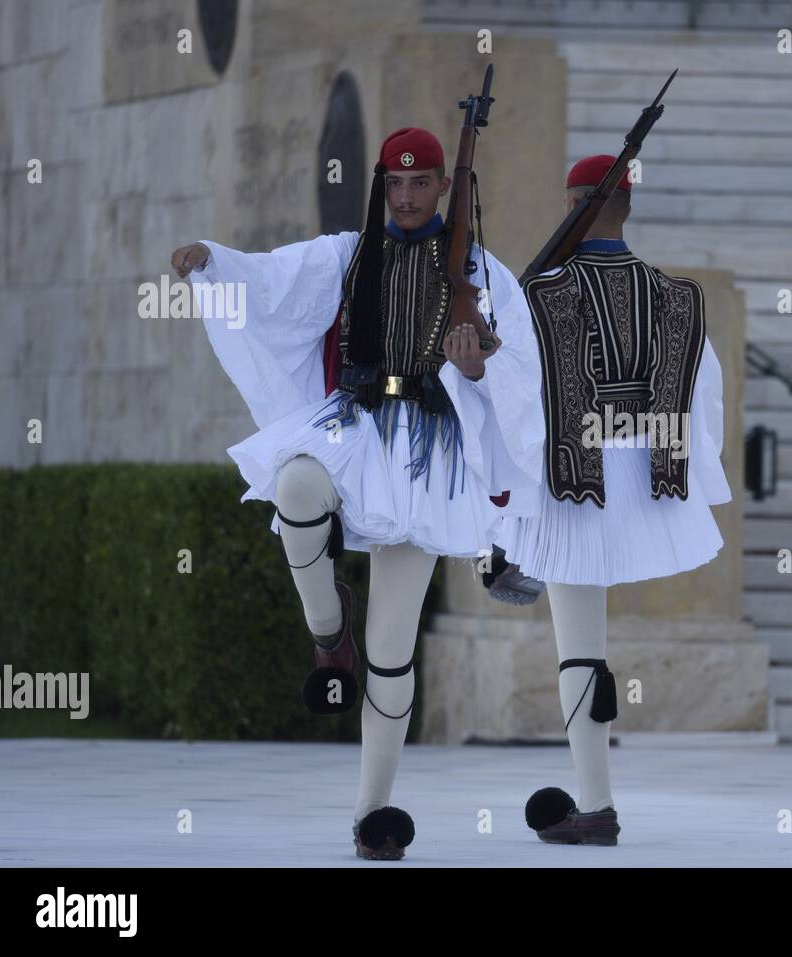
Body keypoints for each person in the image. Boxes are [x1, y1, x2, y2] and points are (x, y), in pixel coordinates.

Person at [171, 126, 543, 860]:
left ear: (444, 187)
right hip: (354, 424)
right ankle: (325, 626)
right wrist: (213, 263)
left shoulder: (482, 272)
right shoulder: (349, 252)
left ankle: (374, 810)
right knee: (296, 486)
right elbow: (273, 282)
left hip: (430, 456)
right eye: (393, 184)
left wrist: (476, 371)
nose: (404, 197)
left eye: (419, 183)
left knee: (393, 648)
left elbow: (522, 380)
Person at [504, 155, 732, 845]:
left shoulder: (540, 295)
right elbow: (707, 399)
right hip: (650, 474)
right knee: (587, 648)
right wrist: (694, 480)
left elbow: (515, 409)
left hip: (575, 480)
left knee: (578, 647)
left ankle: (597, 805)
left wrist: (507, 508)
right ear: (627, 206)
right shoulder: (678, 296)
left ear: (573, 202)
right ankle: (594, 800)